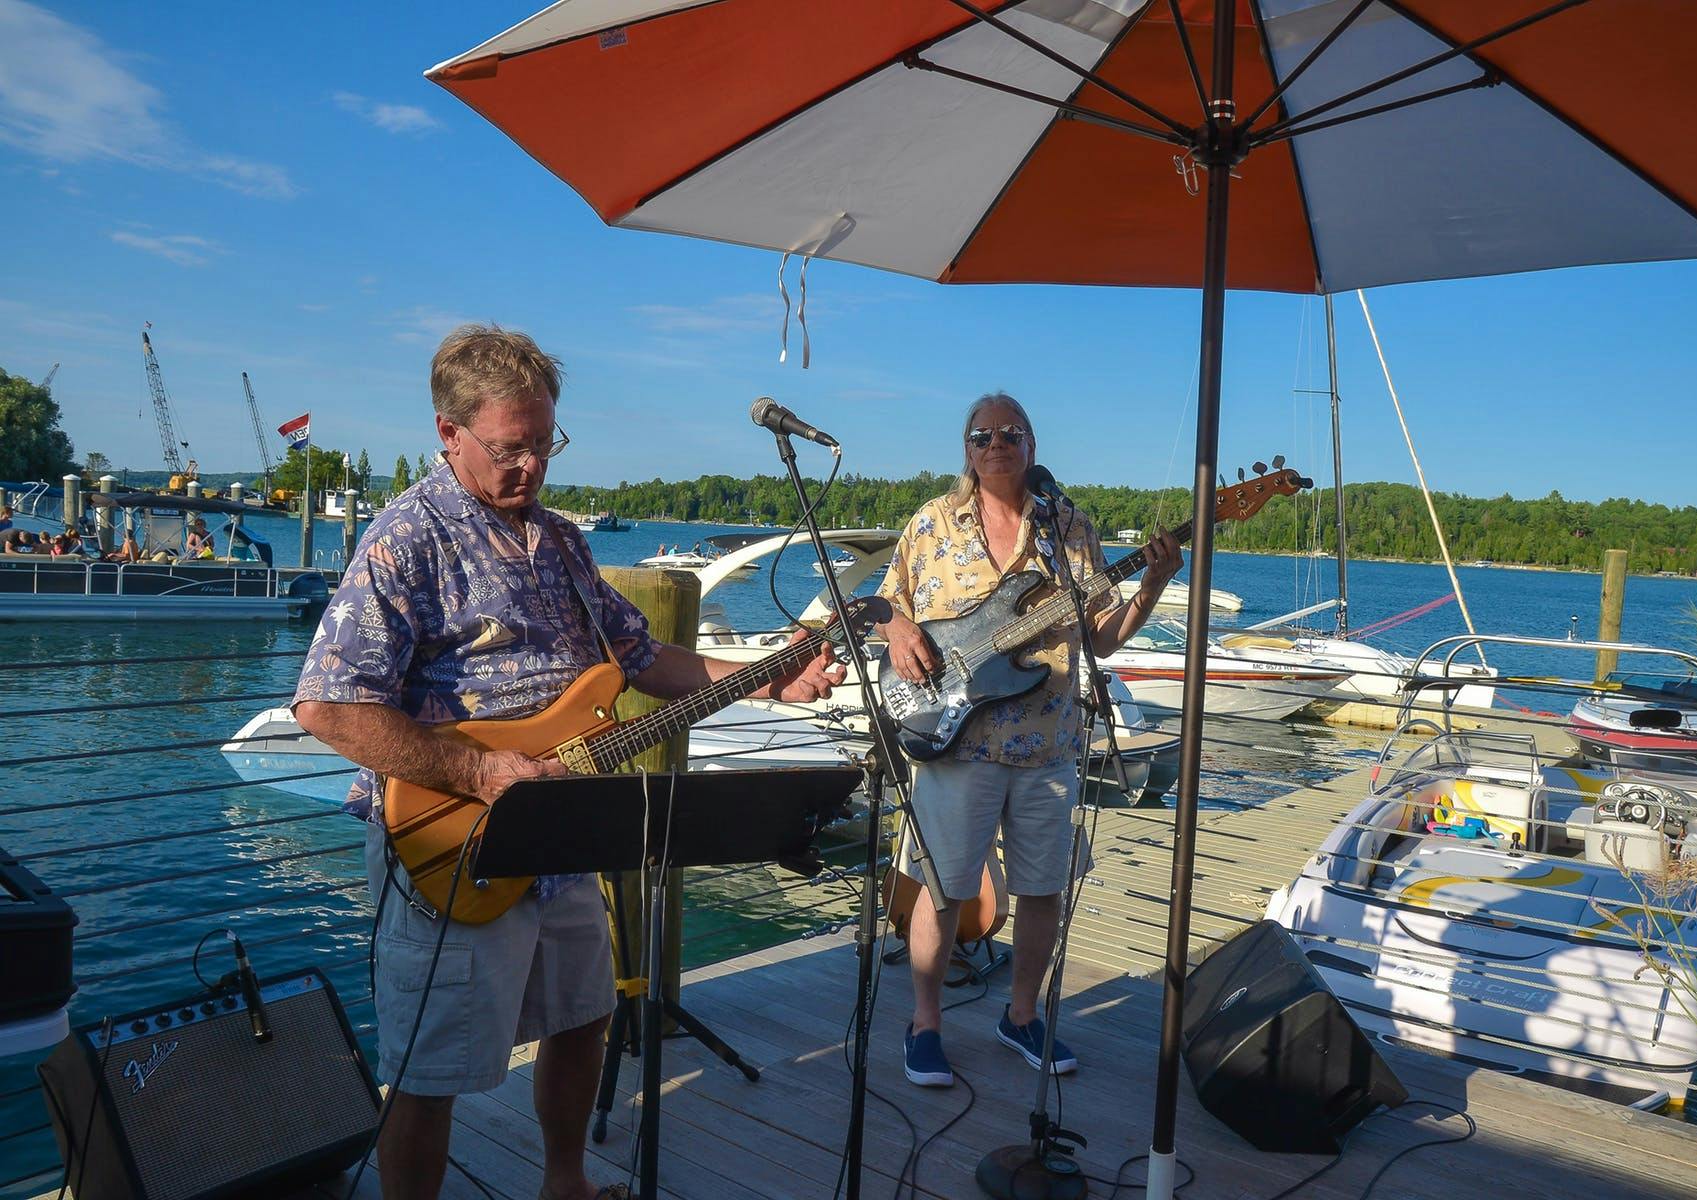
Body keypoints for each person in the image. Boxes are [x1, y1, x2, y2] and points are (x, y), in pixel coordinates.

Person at [292, 324, 843, 1200]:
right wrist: (479, 774)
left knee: (585, 1017)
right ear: (448, 432)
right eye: (511, 449)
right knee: (430, 1072)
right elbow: (329, 705)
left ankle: (565, 1184)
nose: (533, 467)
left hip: (566, 832)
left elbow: (641, 658)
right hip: (455, 839)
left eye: (546, 444)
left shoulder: (562, 540)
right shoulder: (406, 539)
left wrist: (770, 680)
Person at [876, 391, 1180, 1089]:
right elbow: (886, 602)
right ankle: (925, 1024)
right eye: (981, 436)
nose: (996, 445)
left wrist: (1153, 582)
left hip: (1047, 743)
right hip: (956, 740)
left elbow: (1102, 636)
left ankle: (1021, 1015)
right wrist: (896, 628)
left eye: (1010, 434)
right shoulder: (931, 523)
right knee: (943, 888)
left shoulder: (1069, 527)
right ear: (966, 449)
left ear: (1032, 445)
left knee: (1043, 889)